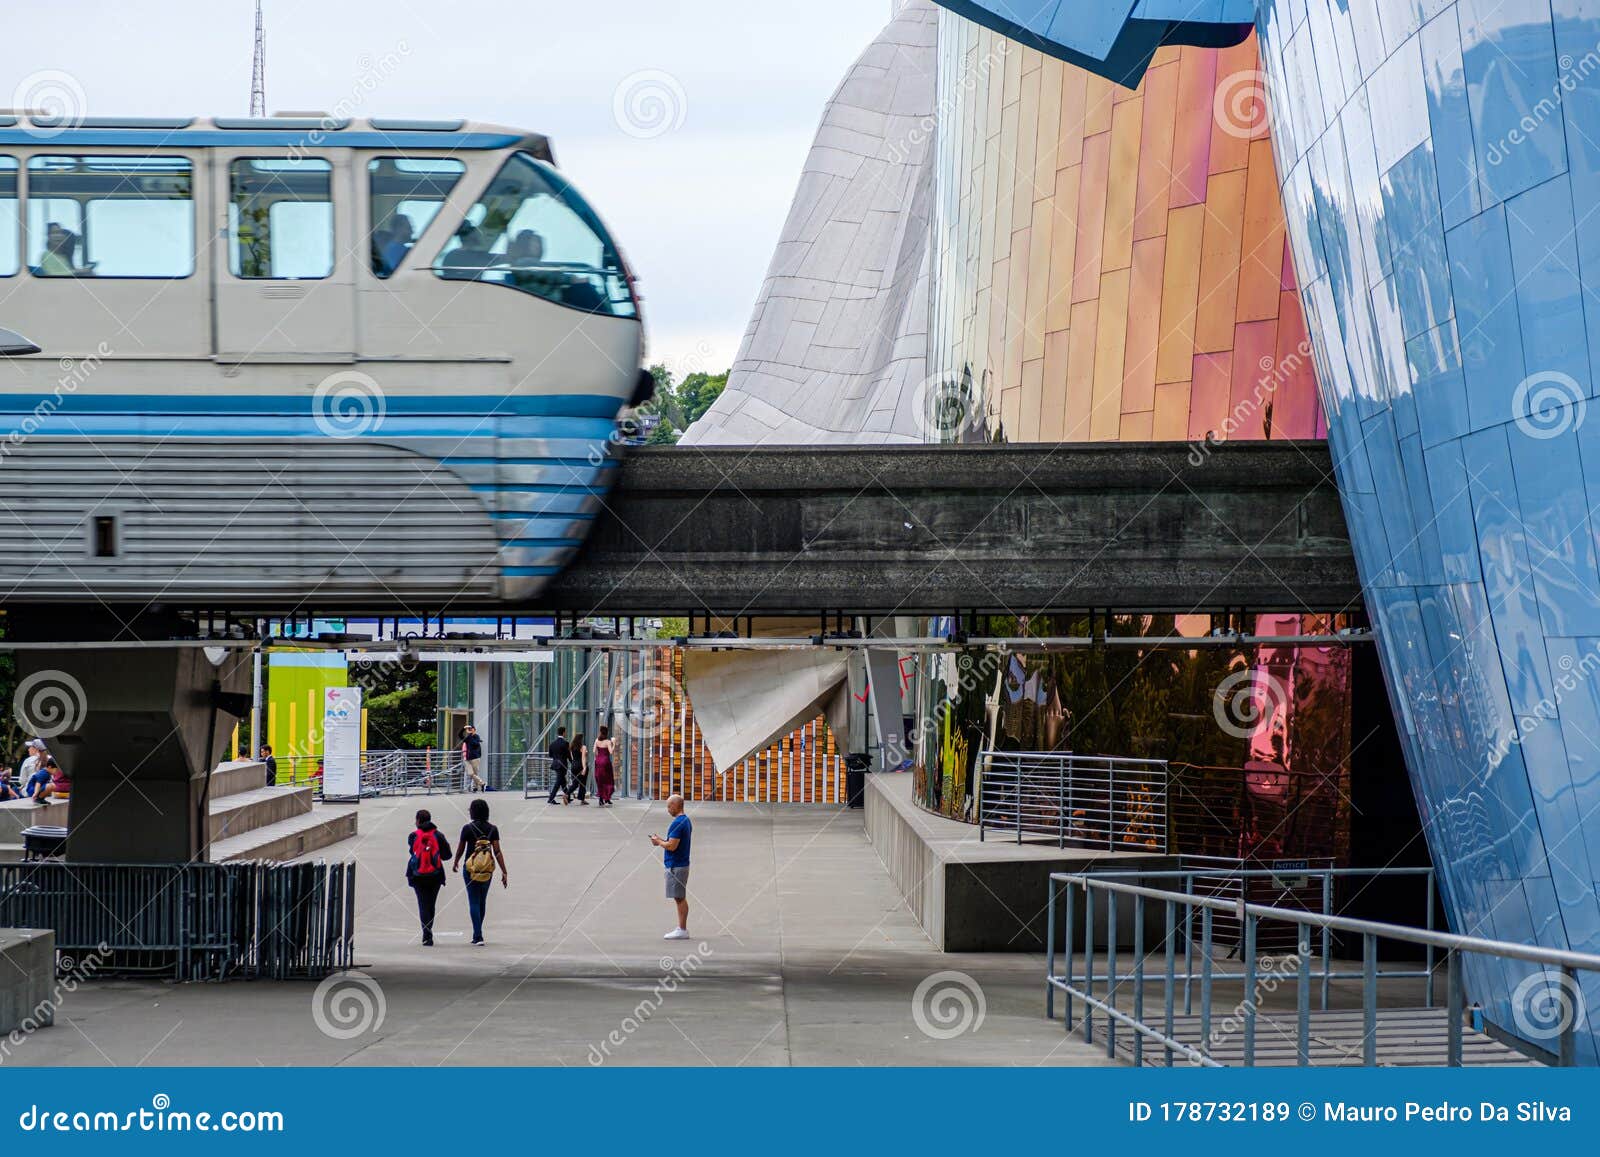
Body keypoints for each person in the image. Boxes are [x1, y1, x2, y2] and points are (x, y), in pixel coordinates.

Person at [453, 798, 508, 946]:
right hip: (487, 869)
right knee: (482, 901)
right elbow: (497, 851)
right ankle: (478, 932)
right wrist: (504, 871)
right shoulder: (493, 829)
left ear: (473, 811)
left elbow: (461, 848)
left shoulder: (467, 828)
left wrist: (456, 861)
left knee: (473, 900)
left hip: (470, 868)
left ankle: (478, 935)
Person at [405, 808, 453, 947]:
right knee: (431, 904)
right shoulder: (438, 835)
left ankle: (427, 935)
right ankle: (429, 929)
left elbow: (412, 852)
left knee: (422, 903)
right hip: (435, 875)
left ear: (418, 821)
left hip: (417, 876)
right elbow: (447, 855)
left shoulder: (413, 836)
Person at [650, 794, 693, 940]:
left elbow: (672, 846)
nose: (668, 809)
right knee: (679, 897)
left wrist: (659, 843)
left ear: (676, 806)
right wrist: (662, 840)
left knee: (679, 897)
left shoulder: (677, 823)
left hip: (676, 865)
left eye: (669, 806)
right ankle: (681, 928)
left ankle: (682, 929)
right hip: (682, 863)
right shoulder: (686, 821)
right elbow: (673, 842)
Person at [546, 726, 572, 804]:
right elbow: (568, 755)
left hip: (555, 764)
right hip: (562, 765)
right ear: (563, 732)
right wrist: (572, 762)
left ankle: (568, 796)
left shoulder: (552, 744)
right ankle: (551, 798)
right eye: (565, 732)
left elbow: (550, 755)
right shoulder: (565, 743)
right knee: (558, 782)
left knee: (562, 781)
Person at [593, 726, 617, 806]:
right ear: (607, 732)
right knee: (608, 780)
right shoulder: (608, 741)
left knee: (600, 780)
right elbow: (611, 752)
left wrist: (598, 756)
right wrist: (614, 743)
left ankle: (601, 799)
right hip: (605, 762)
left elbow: (594, 751)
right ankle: (607, 798)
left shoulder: (597, 740)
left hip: (598, 761)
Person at [460, 725, 486, 791]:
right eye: (469, 729)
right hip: (468, 759)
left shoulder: (476, 737)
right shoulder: (468, 737)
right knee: (470, 773)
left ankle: (475, 787)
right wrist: (463, 728)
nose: (470, 730)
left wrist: (470, 735)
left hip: (475, 758)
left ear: (474, 730)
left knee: (475, 773)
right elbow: (460, 735)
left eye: (471, 729)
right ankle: (482, 783)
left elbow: (475, 744)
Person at [569, 733, 589, 804]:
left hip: (573, 766)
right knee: (583, 783)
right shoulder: (583, 747)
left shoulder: (572, 747)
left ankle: (567, 793)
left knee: (575, 783)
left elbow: (572, 757)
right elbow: (583, 758)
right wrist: (584, 768)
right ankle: (582, 799)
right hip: (580, 766)